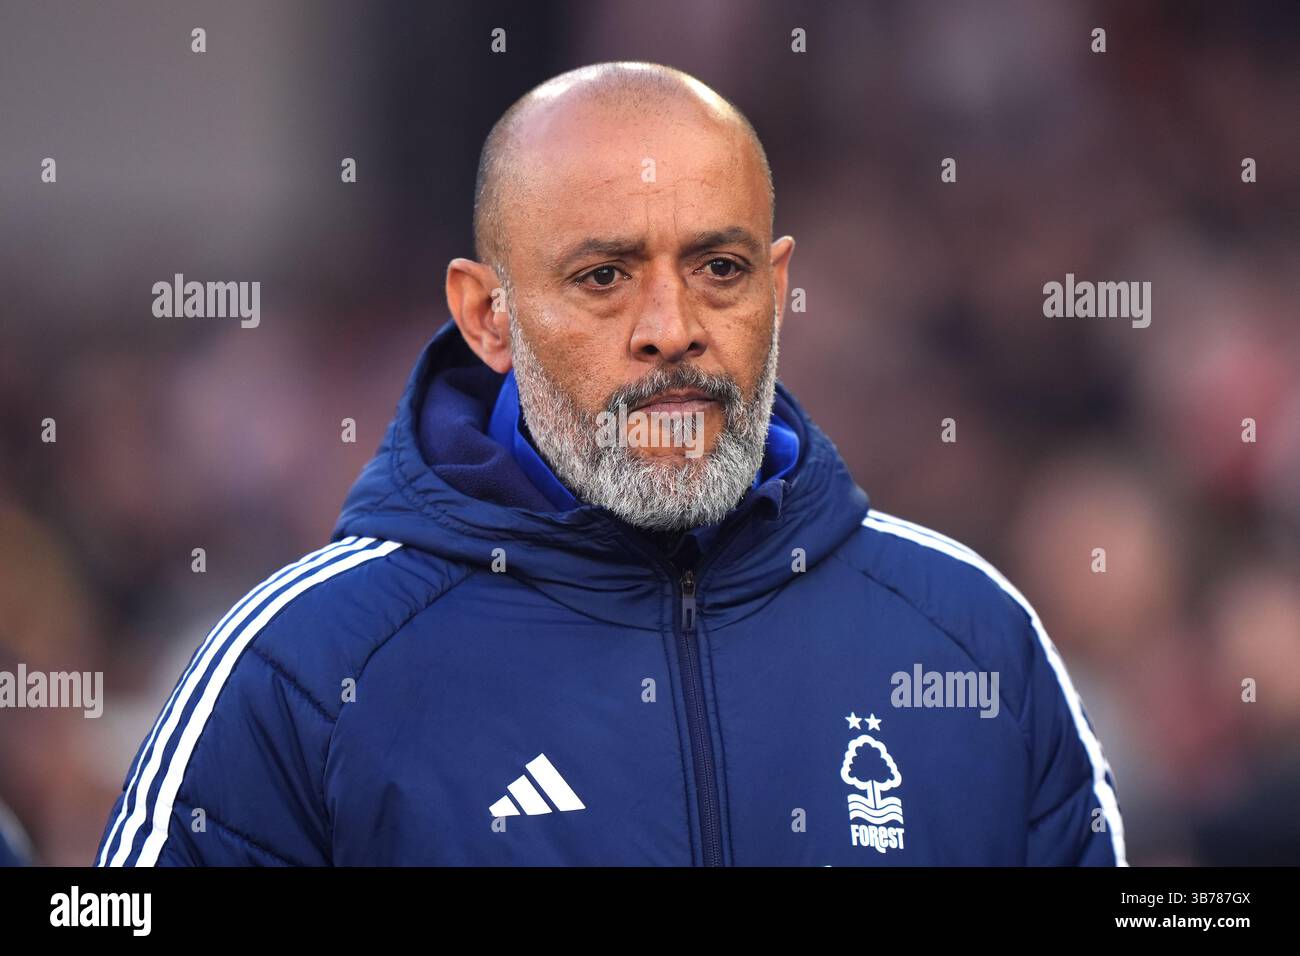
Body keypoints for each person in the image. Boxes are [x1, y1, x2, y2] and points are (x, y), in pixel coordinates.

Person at [95, 61, 1125, 866]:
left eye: (719, 269)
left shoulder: (970, 637)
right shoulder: (300, 671)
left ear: (776, 287)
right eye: (603, 276)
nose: (670, 328)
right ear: (487, 315)